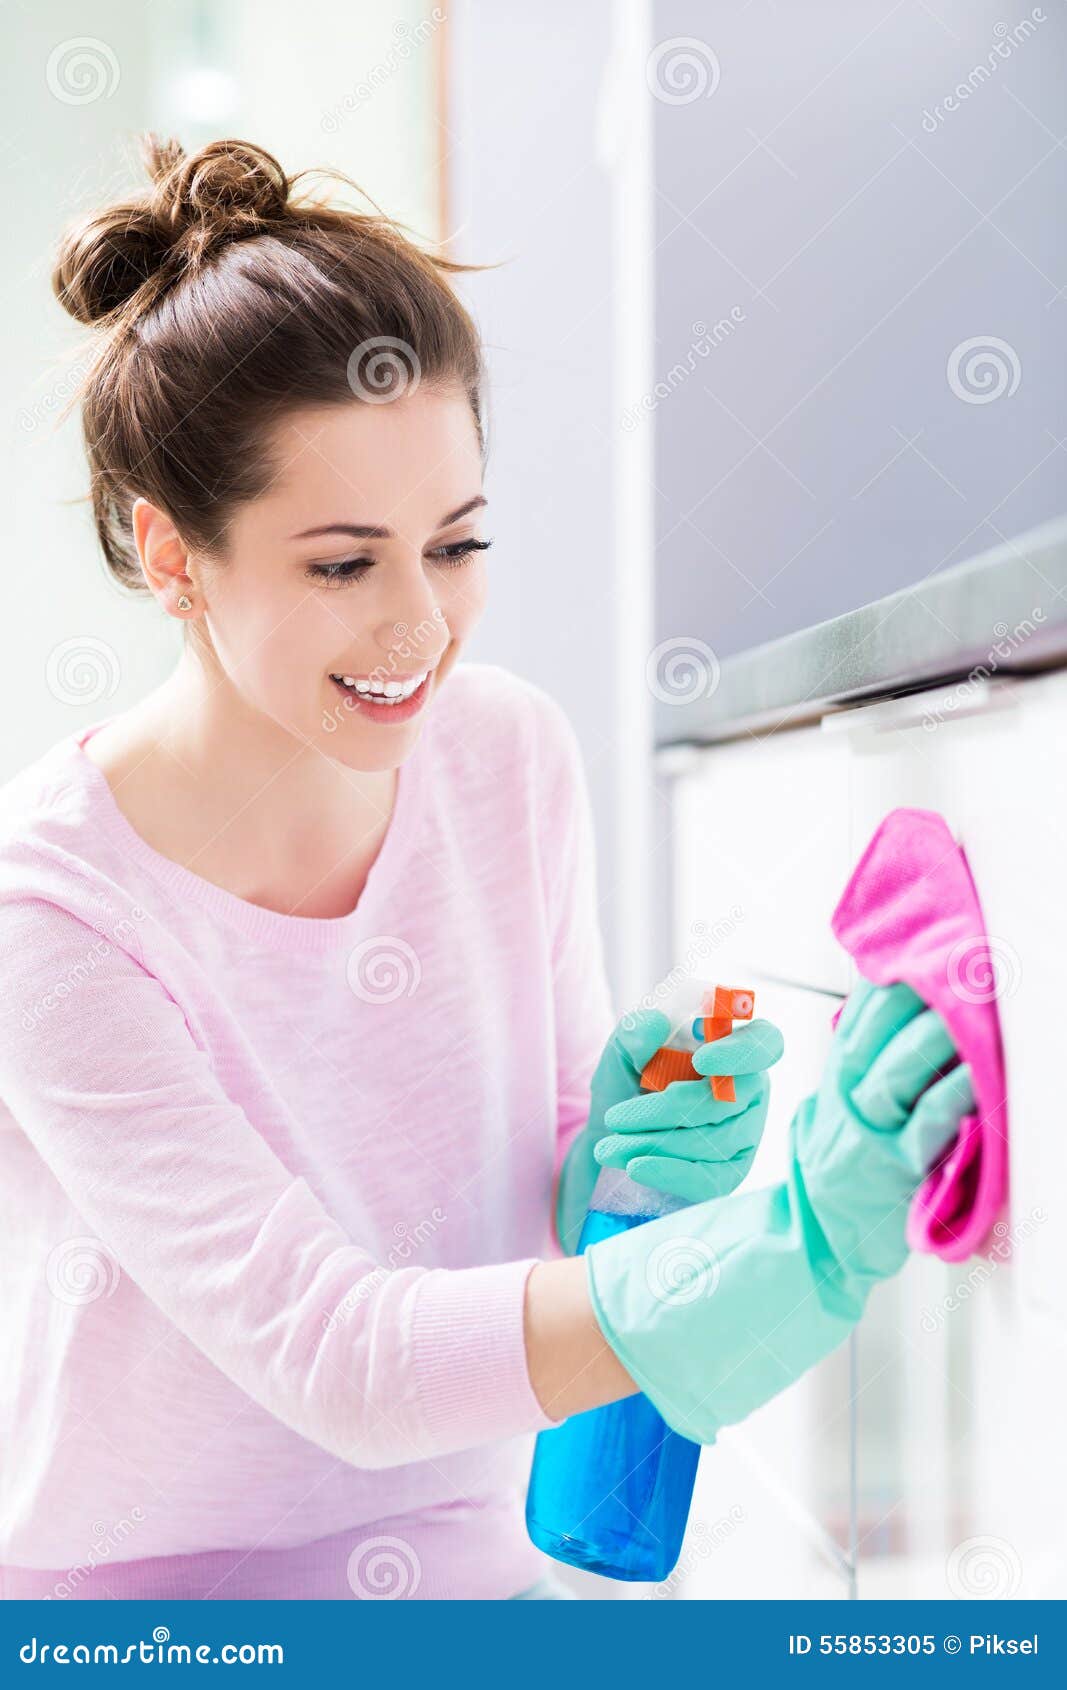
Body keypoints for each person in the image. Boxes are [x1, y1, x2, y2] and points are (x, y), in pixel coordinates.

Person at [0, 136, 973, 1602]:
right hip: (148, 1614)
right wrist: (783, 1254)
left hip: (471, 1577)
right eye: (343, 565)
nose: (419, 630)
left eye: (454, 545)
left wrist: (617, 1157)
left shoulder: (503, 753)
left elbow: (540, 1184)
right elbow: (336, 1354)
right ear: (173, 554)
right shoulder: (53, 909)